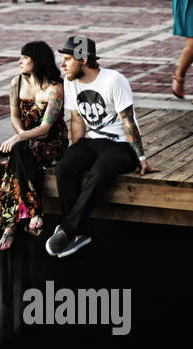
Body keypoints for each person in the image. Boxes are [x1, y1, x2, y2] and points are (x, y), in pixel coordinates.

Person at [48, 35, 156, 257]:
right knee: (65, 167)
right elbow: (77, 119)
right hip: (93, 141)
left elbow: (127, 121)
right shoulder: (70, 81)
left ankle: (68, 228)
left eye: (68, 59)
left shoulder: (114, 80)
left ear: (84, 60)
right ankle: (79, 234)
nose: (63, 64)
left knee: (100, 171)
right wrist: (75, 153)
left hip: (120, 145)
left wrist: (141, 157)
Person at [0, 41, 68, 251]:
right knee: (18, 156)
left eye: (25, 58)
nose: (20, 62)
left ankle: (10, 227)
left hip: (51, 145)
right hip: (25, 142)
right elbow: (14, 116)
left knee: (12, 163)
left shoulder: (56, 89)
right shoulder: (16, 82)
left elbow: (45, 128)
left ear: (38, 61)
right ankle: (33, 213)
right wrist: (21, 136)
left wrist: (19, 139)